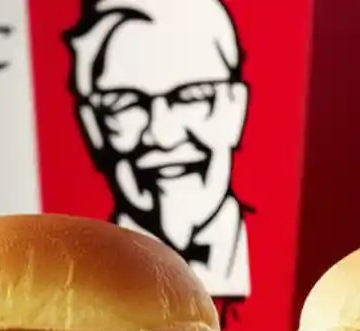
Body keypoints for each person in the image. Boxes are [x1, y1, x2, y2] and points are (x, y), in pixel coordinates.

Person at [65, 0, 252, 300]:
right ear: (93, 125)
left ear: (236, 107)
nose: (163, 136)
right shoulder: (71, 280)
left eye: (193, 96)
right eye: (124, 102)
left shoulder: (305, 258)